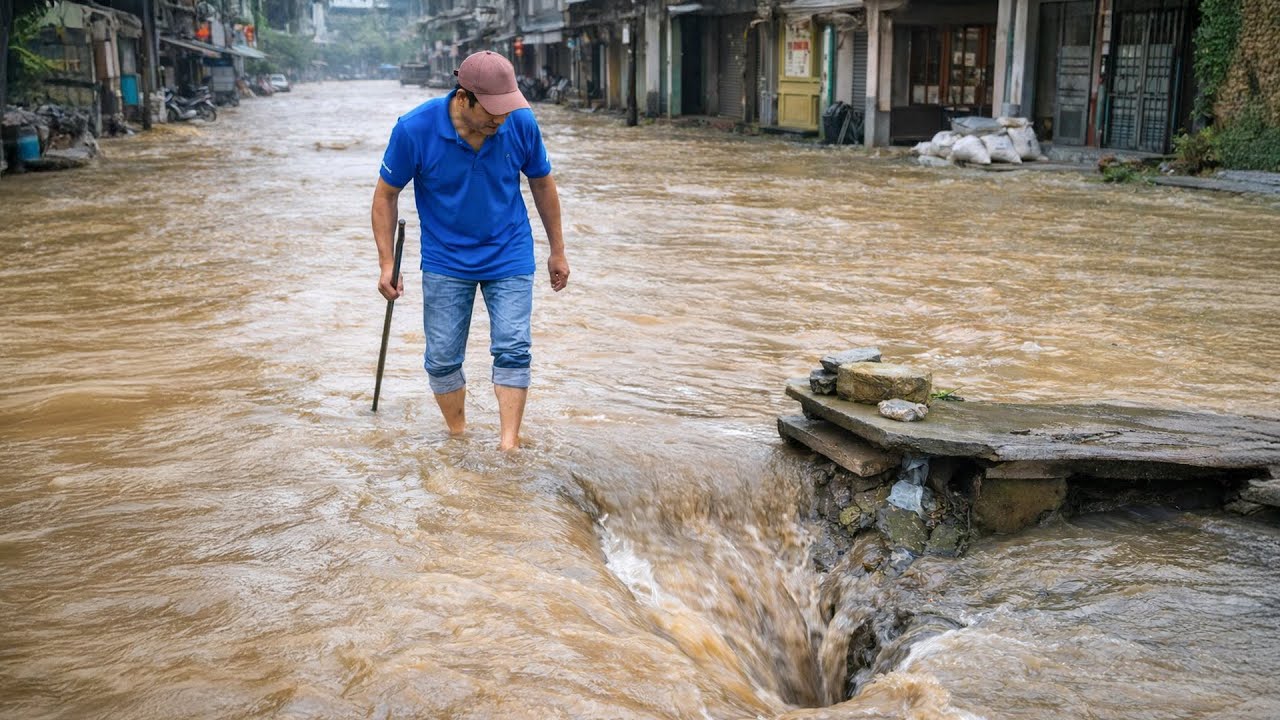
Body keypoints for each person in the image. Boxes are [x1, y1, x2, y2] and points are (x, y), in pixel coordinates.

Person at [371, 51, 568, 451]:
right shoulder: (415, 129)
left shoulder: (520, 124)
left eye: (507, 110)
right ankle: (459, 436)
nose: (501, 120)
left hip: (509, 251)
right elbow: (385, 196)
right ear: (463, 98)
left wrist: (557, 250)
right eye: (492, 112)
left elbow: (542, 184)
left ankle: (508, 446)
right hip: (446, 258)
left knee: (513, 347)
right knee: (442, 357)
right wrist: (387, 263)